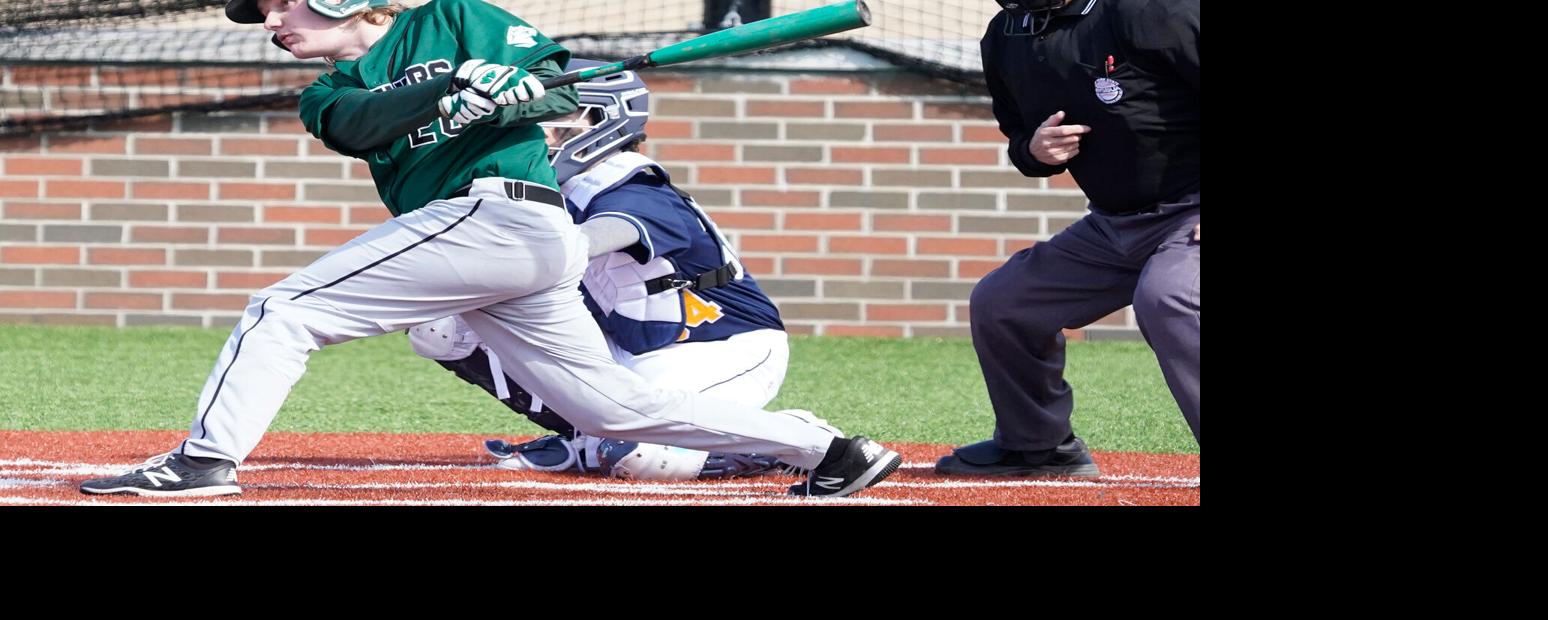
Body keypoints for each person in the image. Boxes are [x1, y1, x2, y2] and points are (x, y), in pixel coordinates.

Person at [79, 0, 899, 498]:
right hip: (485, 245)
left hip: (508, 218)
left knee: (285, 309)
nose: (270, 22)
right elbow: (363, 123)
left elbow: (556, 83)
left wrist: (517, 86)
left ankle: (205, 461)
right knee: (612, 409)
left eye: (282, 5)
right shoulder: (326, 94)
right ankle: (831, 448)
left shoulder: (456, 16)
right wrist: (449, 87)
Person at [410, 60, 833, 481]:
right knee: (440, 326)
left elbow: (586, 243)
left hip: (720, 346)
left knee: (642, 456)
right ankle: (583, 435)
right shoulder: (542, 189)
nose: (538, 129)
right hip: (627, 346)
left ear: (603, 121)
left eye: (556, 116)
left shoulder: (636, 188)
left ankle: (789, 439)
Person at [936, 0, 1199, 478]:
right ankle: (1037, 447)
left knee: (1170, 297)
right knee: (1005, 303)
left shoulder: (1152, 11)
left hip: (1192, 209)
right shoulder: (1006, 35)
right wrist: (1035, 150)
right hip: (1113, 223)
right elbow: (1019, 134)